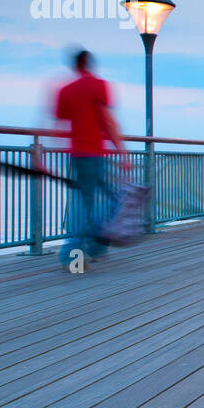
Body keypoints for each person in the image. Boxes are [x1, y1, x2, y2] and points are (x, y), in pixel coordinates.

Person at [52, 49, 127, 270]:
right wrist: (122, 151)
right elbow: (107, 121)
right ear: (90, 63)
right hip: (95, 154)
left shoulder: (66, 90)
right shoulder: (98, 86)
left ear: (75, 66)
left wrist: (47, 157)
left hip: (77, 155)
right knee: (114, 199)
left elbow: (59, 125)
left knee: (84, 203)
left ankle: (85, 248)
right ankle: (81, 249)